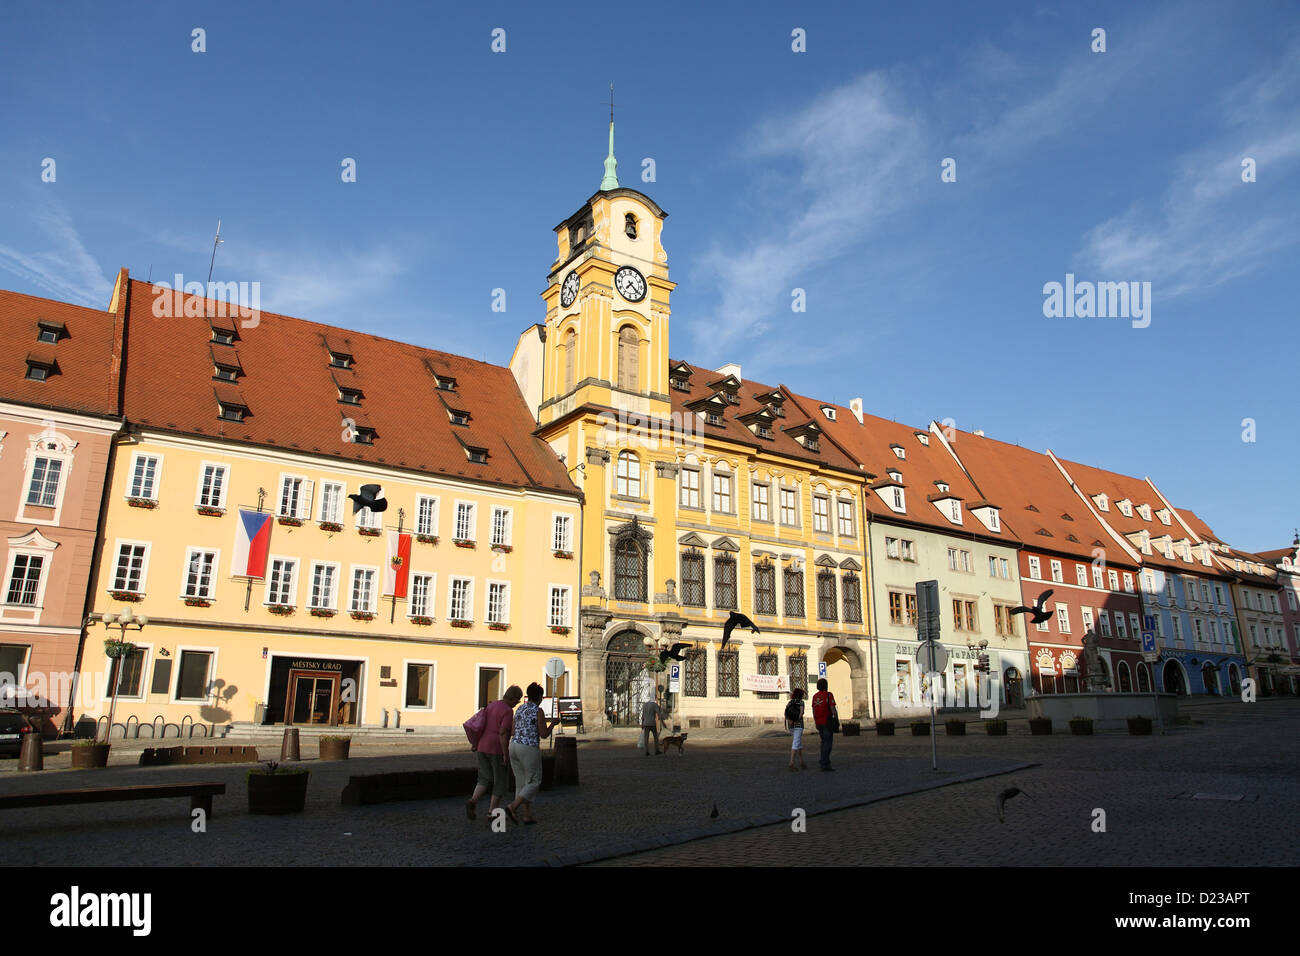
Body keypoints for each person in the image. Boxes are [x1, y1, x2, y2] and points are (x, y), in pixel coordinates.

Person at [466, 685, 522, 821]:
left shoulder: (492, 705)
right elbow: (503, 733)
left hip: (482, 746)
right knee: (500, 781)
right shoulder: (508, 711)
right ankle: (492, 811)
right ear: (513, 698)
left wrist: (475, 743)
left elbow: (481, 725)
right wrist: (505, 754)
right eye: (517, 700)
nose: (516, 704)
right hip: (495, 748)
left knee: (484, 778)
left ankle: (473, 800)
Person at [506, 682, 559, 824]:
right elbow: (543, 734)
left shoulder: (519, 709)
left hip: (514, 746)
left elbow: (512, 731)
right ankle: (513, 807)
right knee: (534, 781)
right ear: (540, 697)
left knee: (521, 782)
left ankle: (526, 815)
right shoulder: (538, 711)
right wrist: (553, 724)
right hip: (528, 748)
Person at [811, 678, 837, 771]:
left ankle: (823, 760)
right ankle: (825, 762)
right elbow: (833, 708)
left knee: (823, 742)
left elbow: (813, 710)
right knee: (828, 743)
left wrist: (815, 721)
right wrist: (836, 719)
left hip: (819, 722)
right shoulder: (828, 695)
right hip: (827, 721)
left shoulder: (815, 696)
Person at [785, 687, 808, 770]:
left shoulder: (790, 702)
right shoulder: (801, 702)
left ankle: (802, 761)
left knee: (798, 743)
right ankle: (791, 762)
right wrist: (796, 719)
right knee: (796, 743)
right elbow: (801, 713)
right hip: (798, 725)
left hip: (790, 725)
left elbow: (786, 712)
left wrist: (790, 720)